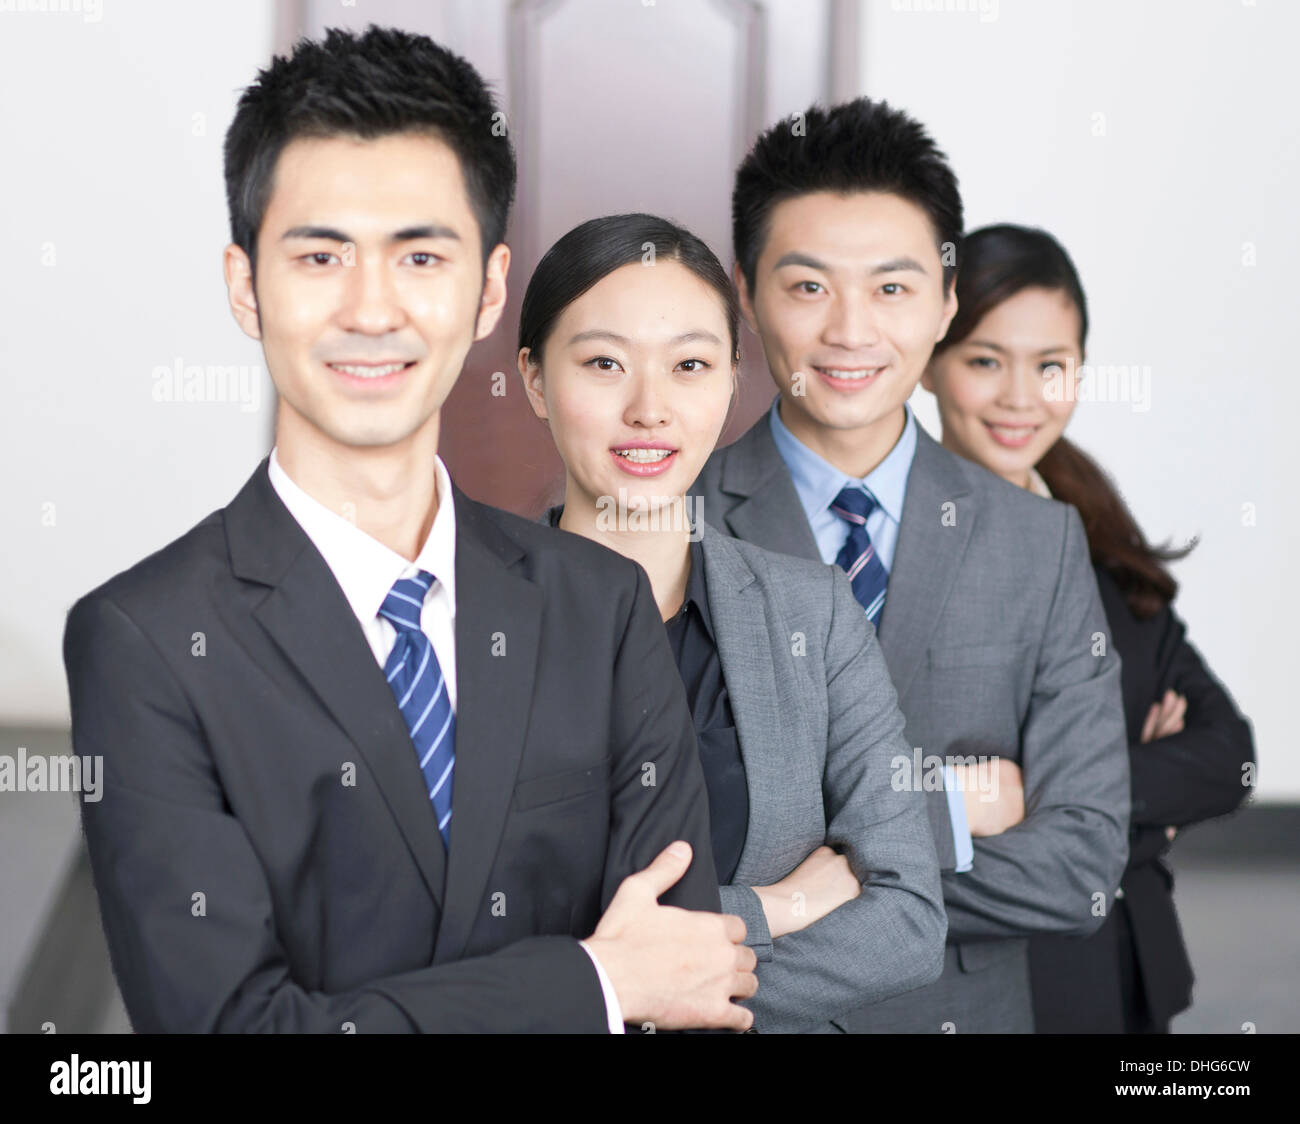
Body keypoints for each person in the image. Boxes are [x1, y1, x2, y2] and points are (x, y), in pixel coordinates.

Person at [62, 25, 757, 1034]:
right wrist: (596, 984)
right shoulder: (146, 640)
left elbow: (688, 979)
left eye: (420, 254)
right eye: (320, 254)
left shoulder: (596, 606)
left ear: (485, 290)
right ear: (245, 284)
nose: (372, 308)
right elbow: (226, 1028)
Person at [689, 97, 1131, 1033]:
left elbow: (1081, 869)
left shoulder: (1037, 545)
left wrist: (810, 884)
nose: (852, 331)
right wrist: (958, 811)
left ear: (946, 298)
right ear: (746, 292)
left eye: (891, 288)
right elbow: (651, 862)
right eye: (808, 287)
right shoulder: (672, 527)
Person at [516, 213, 947, 1033]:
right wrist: (776, 905)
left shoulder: (812, 613)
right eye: (604, 363)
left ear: (730, 381)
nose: (650, 409)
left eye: (689, 365)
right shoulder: (469, 622)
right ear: (535, 379)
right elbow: (480, 934)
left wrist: (629, 988)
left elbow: (907, 921)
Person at [921, 222, 1256, 1033]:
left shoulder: (1098, 534)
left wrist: (1043, 795)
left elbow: (1226, 754)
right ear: (929, 361)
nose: (1020, 398)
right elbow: (885, 797)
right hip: (977, 977)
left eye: (1051, 366)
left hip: (1124, 975)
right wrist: (1135, 796)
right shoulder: (888, 547)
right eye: (984, 361)